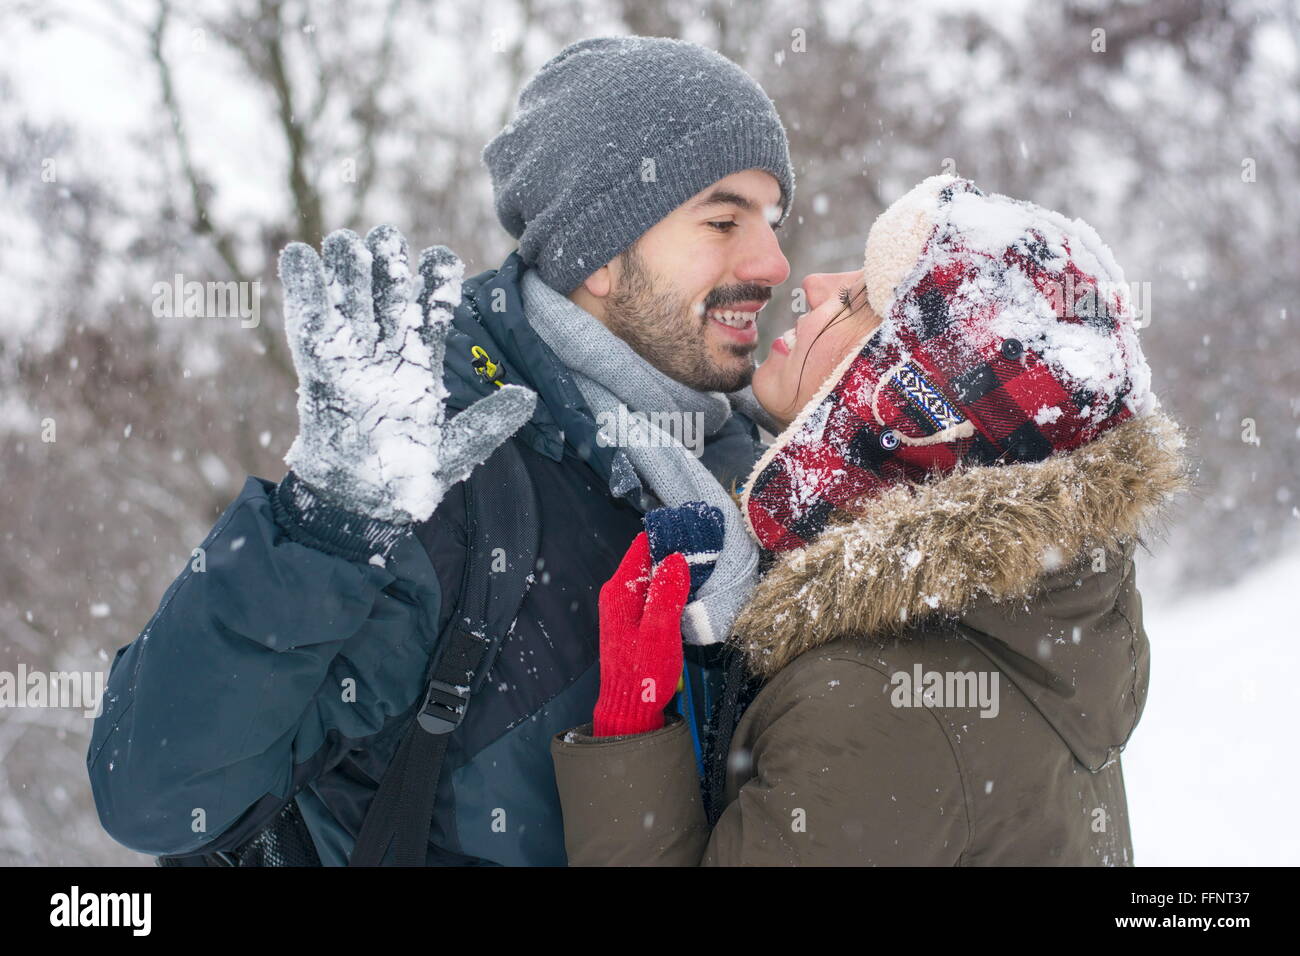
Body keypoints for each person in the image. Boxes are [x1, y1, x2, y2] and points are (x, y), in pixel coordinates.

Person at [87, 35, 796, 866]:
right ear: (599, 255)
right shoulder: (442, 468)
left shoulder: (738, 471)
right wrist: (326, 528)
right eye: (723, 220)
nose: (773, 262)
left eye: (773, 222)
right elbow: (157, 796)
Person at [550, 174, 1189, 865]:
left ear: (904, 411)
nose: (816, 283)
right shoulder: (1030, 624)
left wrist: (629, 734)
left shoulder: (874, 710)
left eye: (857, 300)